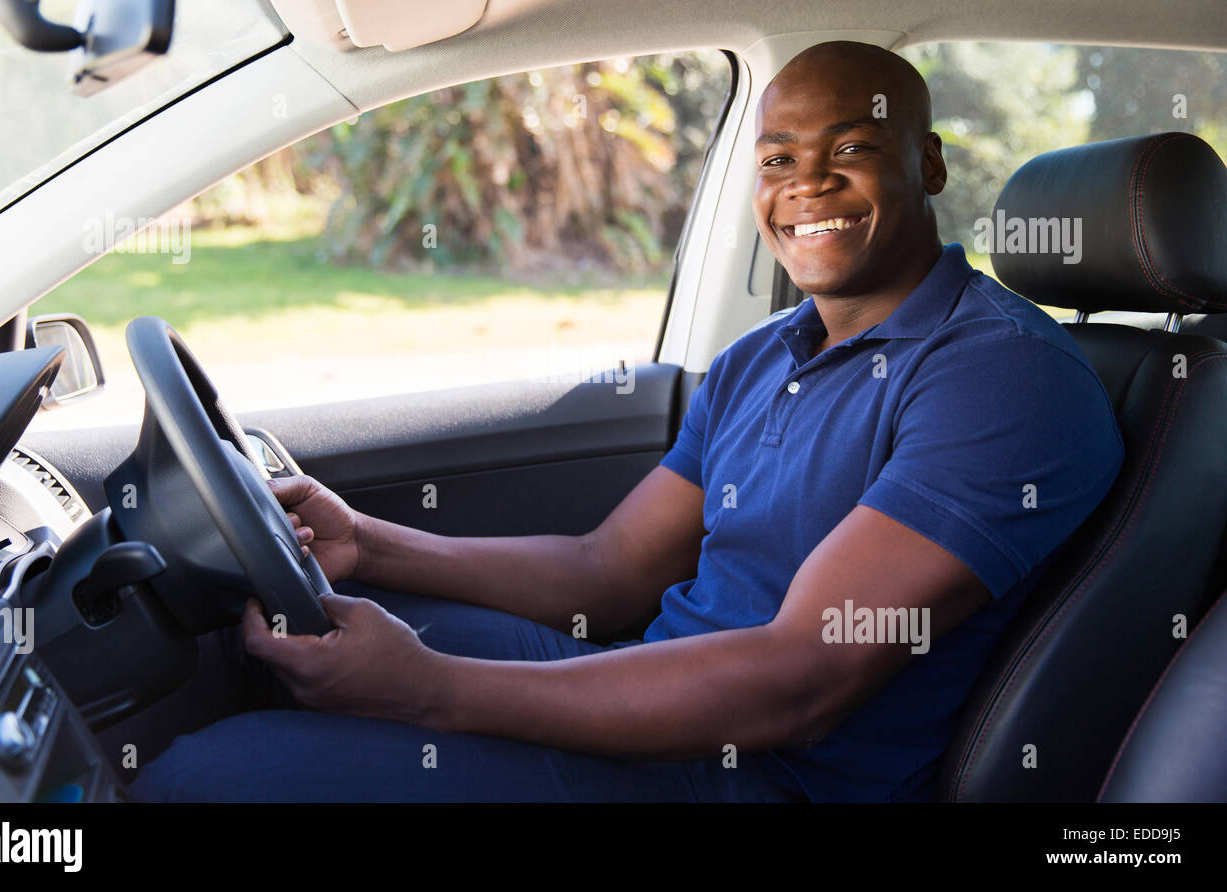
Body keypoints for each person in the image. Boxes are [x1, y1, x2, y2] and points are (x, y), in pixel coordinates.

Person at [129, 41, 1124, 802]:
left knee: (204, 777)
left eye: (851, 151)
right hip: (649, 682)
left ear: (931, 165)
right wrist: (367, 543)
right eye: (778, 158)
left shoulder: (1001, 378)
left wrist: (426, 688)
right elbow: (605, 570)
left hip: (758, 772)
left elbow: (796, 679)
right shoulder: (764, 355)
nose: (806, 185)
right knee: (261, 651)